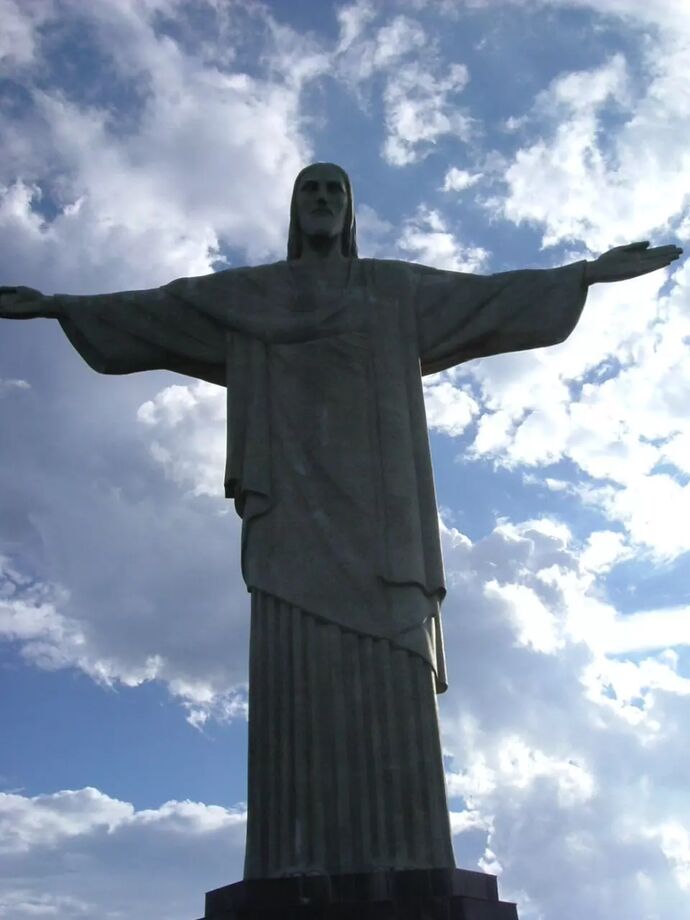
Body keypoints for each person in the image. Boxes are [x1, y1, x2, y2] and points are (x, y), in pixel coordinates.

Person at [0, 163, 682, 879]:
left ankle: (410, 855)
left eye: (335, 191)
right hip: (291, 521)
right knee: (293, 664)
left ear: (350, 212)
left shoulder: (392, 290)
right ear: (294, 210)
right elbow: (162, 308)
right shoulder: (251, 295)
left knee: (392, 662)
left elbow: (486, 298)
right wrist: (56, 305)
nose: (322, 200)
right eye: (310, 190)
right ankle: (288, 863)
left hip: (383, 523)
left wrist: (585, 275)